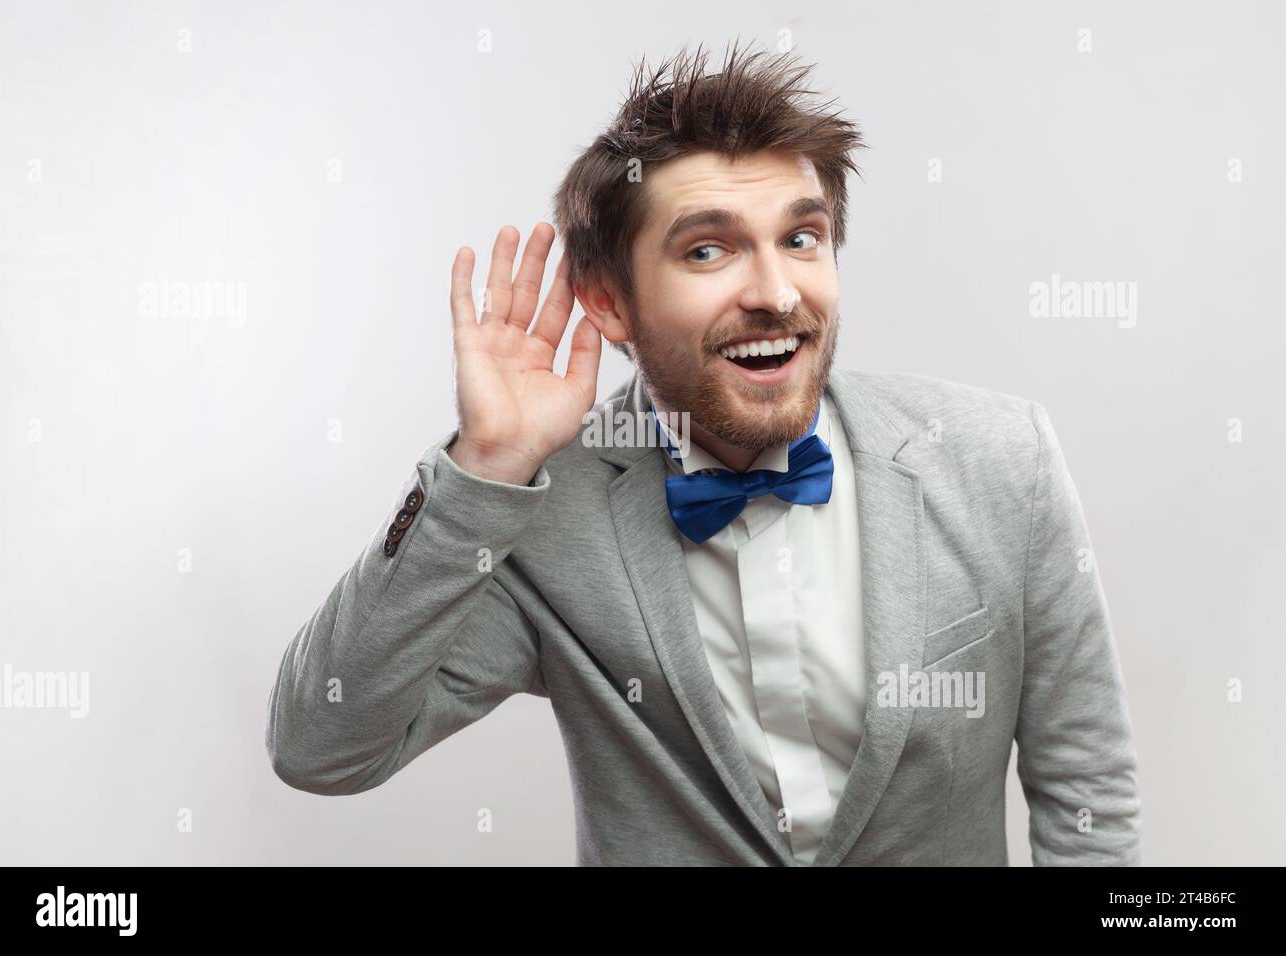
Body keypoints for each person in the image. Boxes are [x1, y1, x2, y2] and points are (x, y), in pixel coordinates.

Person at [265, 41, 1142, 866]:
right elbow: (322, 748)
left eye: (801, 238)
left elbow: (1086, 788)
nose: (773, 291)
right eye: (708, 249)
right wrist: (483, 467)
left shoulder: (1002, 461)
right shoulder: (537, 510)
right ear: (609, 305)